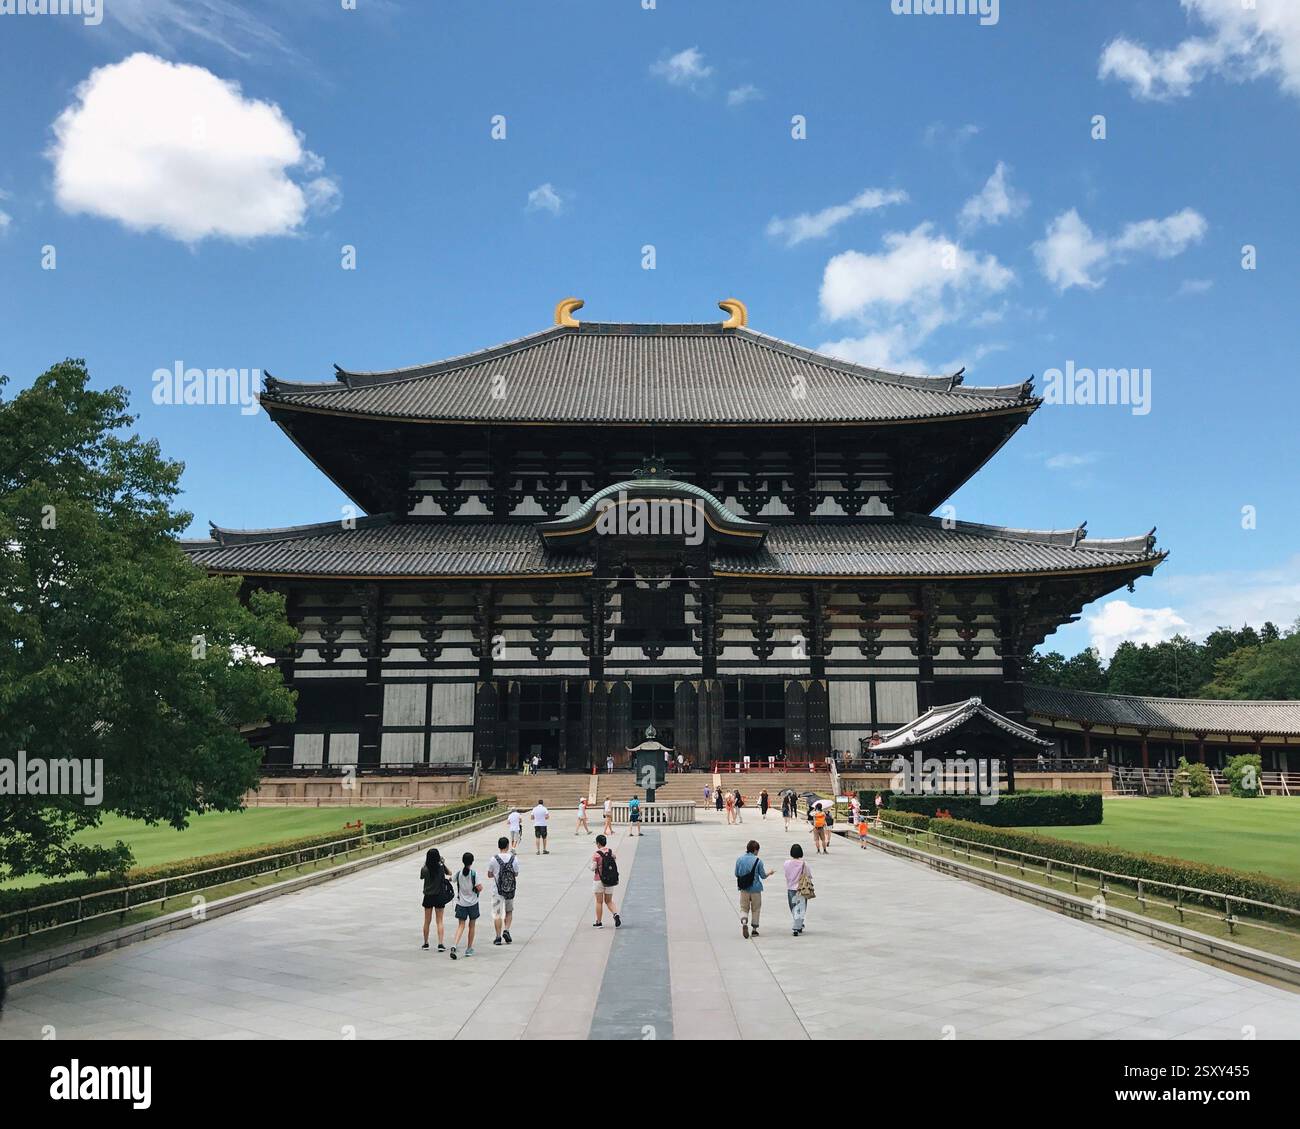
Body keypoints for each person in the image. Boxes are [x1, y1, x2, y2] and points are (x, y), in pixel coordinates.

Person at [734, 839, 771, 939]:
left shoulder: (739, 859)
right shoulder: (758, 861)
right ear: (755, 850)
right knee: (756, 909)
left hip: (744, 888)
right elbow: (762, 876)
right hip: (755, 889)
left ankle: (744, 921)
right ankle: (754, 930)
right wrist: (770, 873)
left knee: (744, 907)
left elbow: (736, 874)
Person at [487, 836, 519, 946]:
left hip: (497, 891)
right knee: (509, 911)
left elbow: (489, 874)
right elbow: (516, 874)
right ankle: (507, 930)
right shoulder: (513, 858)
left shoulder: (493, 859)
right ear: (507, 846)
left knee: (497, 914)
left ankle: (498, 937)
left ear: (498, 846)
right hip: (510, 889)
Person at [449, 852, 481, 959]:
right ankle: (469, 949)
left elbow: (451, 879)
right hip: (473, 903)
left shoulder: (459, 874)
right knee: (471, 926)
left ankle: (454, 945)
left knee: (461, 925)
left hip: (461, 903)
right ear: (472, 862)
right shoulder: (474, 874)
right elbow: (479, 887)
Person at [420, 847, 452, 951]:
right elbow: (450, 873)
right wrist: (442, 863)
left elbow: (421, 877)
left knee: (427, 921)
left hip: (428, 897)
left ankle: (425, 943)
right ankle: (440, 944)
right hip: (439, 896)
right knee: (439, 921)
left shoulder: (425, 869)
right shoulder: (441, 867)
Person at [591, 833, 622, 928]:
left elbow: (593, 868)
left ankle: (599, 922)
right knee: (609, 901)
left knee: (599, 902)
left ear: (598, 843)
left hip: (599, 880)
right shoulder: (610, 852)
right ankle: (616, 914)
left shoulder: (596, 854)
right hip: (610, 880)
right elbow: (614, 859)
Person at [784, 843, 812, 936]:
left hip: (791, 888)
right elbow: (809, 875)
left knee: (793, 908)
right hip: (802, 888)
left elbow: (787, 874)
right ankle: (797, 927)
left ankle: (798, 924)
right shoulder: (804, 864)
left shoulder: (786, 863)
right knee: (801, 908)